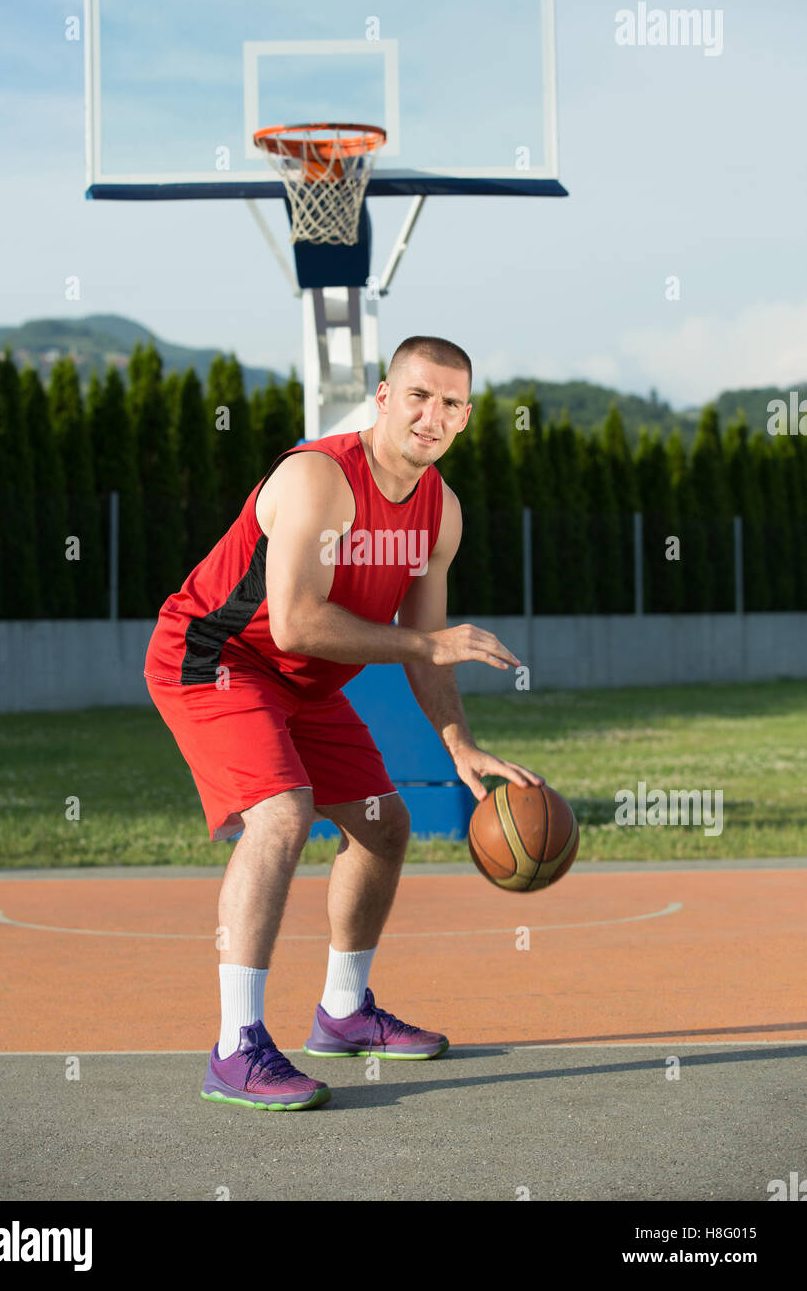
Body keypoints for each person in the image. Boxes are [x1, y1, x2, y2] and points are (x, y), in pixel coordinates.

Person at [144, 335, 543, 1111]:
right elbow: (293, 622)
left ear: (466, 418)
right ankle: (236, 1047)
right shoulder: (318, 478)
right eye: (419, 395)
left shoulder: (441, 511)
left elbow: (428, 650)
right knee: (282, 815)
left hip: (304, 684)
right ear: (384, 397)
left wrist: (458, 744)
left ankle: (344, 1012)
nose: (433, 415)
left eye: (452, 403)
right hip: (215, 658)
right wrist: (428, 642)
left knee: (385, 824)